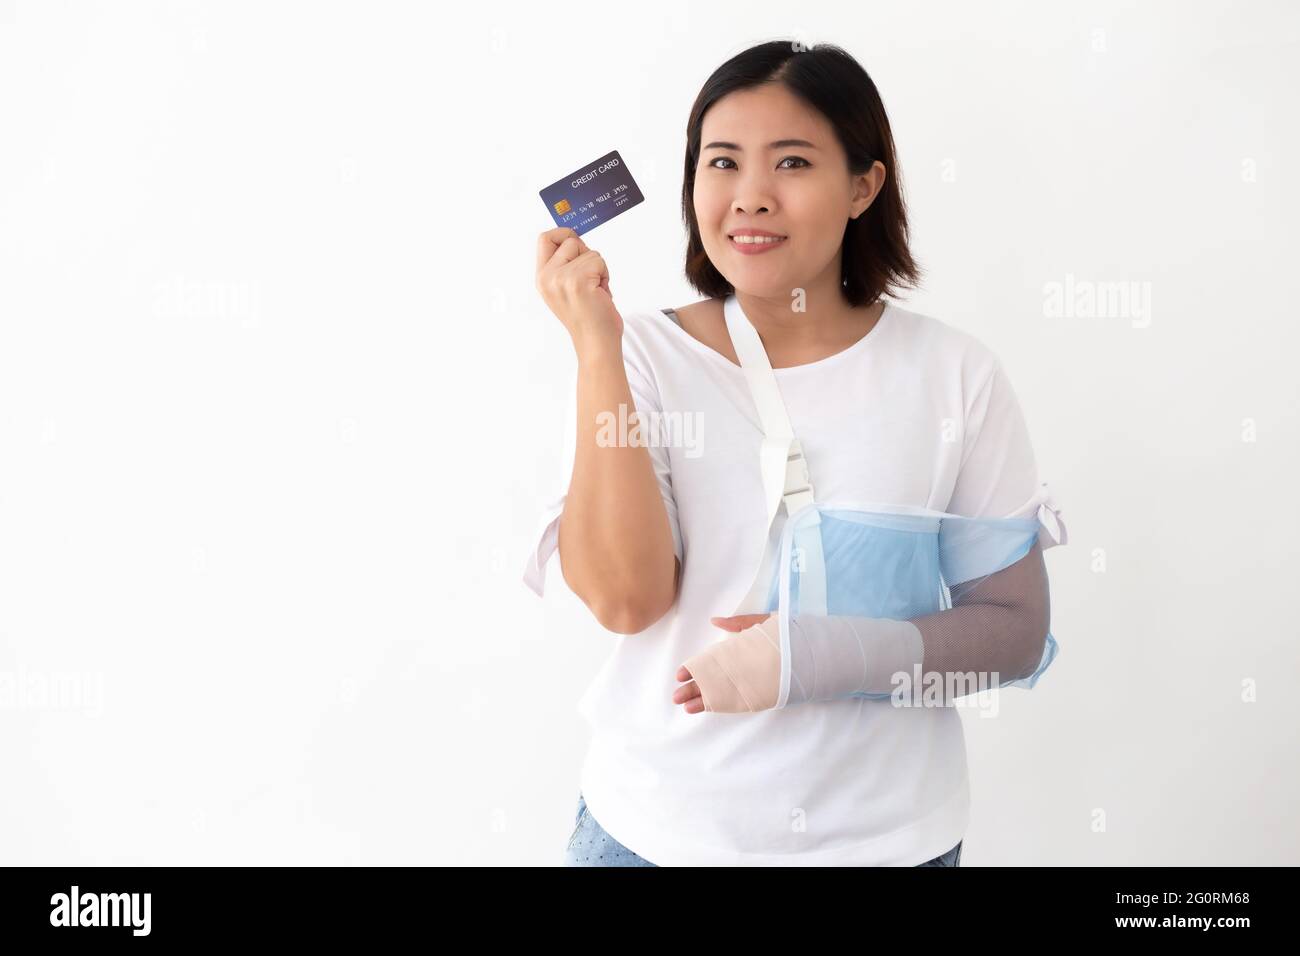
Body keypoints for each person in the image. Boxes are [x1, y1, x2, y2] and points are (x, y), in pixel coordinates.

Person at [525, 39, 1062, 866]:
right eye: (723, 163)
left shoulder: (956, 374)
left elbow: (1014, 630)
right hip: (655, 833)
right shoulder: (641, 357)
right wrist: (597, 348)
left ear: (863, 187)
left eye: (793, 163)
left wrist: (816, 656)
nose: (751, 196)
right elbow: (627, 600)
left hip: (890, 842)